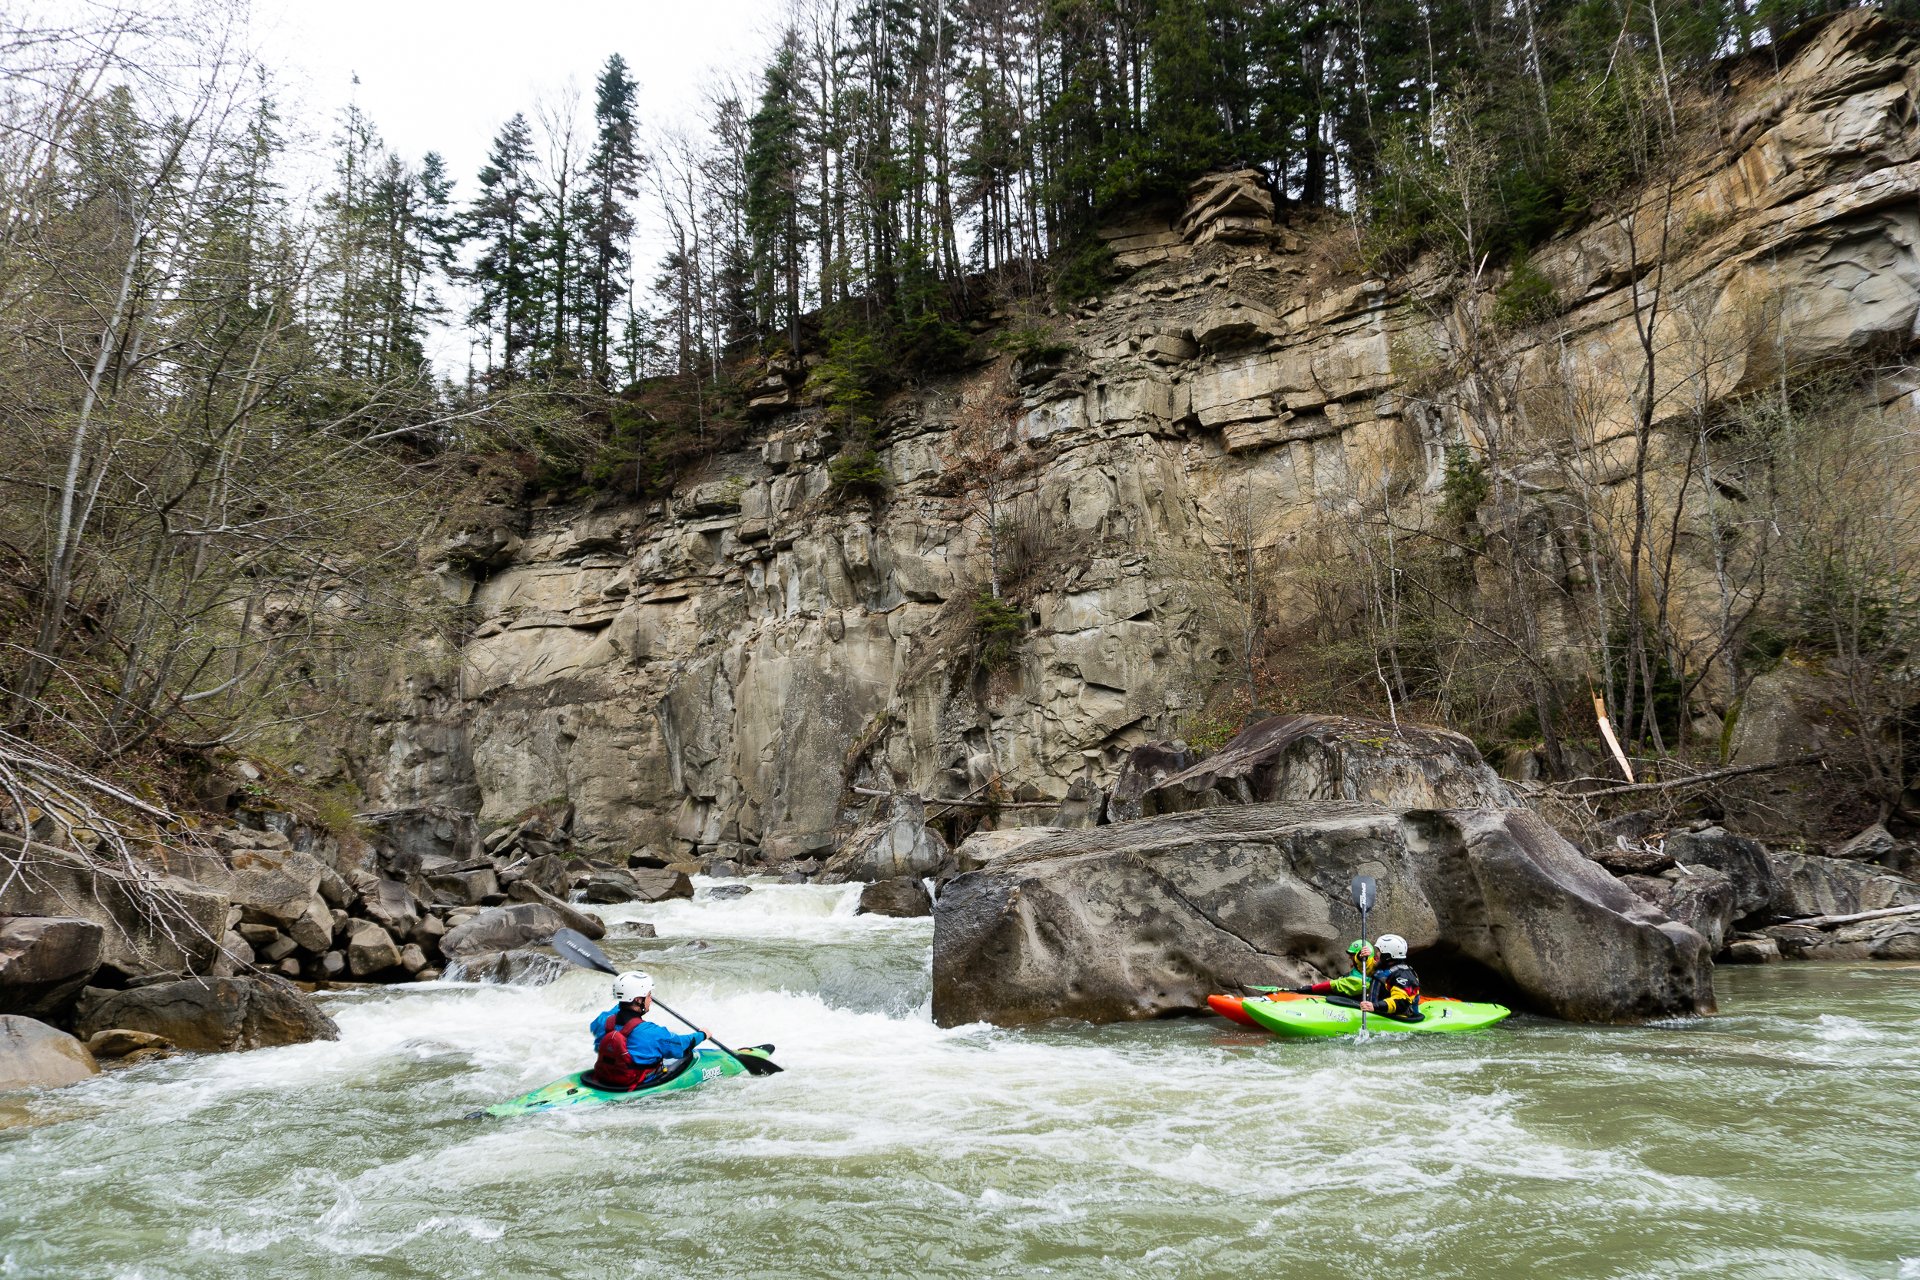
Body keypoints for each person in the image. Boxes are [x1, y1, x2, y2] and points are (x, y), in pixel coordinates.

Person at [585, 970, 706, 1091]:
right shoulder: (652, 1033)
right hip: (634, 1081)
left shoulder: (602, 1021)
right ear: (638, 999)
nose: (651, 1000)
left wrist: (625, 996)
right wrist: (702, 1034)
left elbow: (613, 1013)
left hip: (606, 1076)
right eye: (648, 995)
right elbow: (681, 1045)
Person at [1358, 934, 1422, 1021]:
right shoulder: (1385, 966)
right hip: (1378, 1012)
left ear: (1387, 955)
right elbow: (1367, 969)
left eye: (1379, 951)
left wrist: (1375, 1006)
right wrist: (1362, 957)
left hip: (1397, 1018)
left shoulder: (1403, 975)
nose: (1377, 953)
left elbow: (1400, 1002)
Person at [1291, 939, 1375, 999]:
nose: (1349, 957)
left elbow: (1334, 985)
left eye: (1352, 955)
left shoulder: (1362, 981)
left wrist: (1311, 989)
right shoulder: (1358, 971)